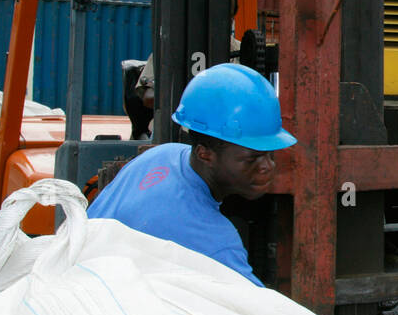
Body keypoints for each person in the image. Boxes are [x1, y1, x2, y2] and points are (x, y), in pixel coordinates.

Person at [89, 63, 296, 286]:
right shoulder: (213, 241)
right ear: (205, 154)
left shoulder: (160, 156)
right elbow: (268, 313)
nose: (267, 166)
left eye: (269, 154)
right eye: (252, 158)